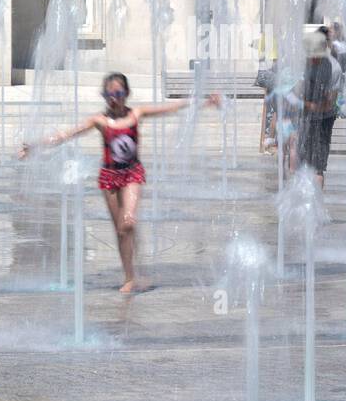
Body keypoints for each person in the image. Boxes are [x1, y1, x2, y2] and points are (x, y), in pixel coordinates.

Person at [19, 72, 220, 294]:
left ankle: (133, 267)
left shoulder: (136, 114)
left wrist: (203, 102)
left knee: (128, 222)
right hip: (109, 177)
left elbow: (168, 108)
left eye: (119, 93)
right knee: (121, 231)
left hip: (132, 173)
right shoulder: (100, 121)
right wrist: (36, 146)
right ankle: (130, 276)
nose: (115, 98)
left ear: (126, 93)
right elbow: (68, 134)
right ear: (104, 95)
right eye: (110, 94)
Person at [296, 29, 343, 188]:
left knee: (317, 168)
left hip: (323, 122)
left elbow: (330, 102)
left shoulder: (333, 67)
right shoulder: (306, 63)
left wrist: (305, 104)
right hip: (307, 119)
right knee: (303, 164)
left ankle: (316, 206)